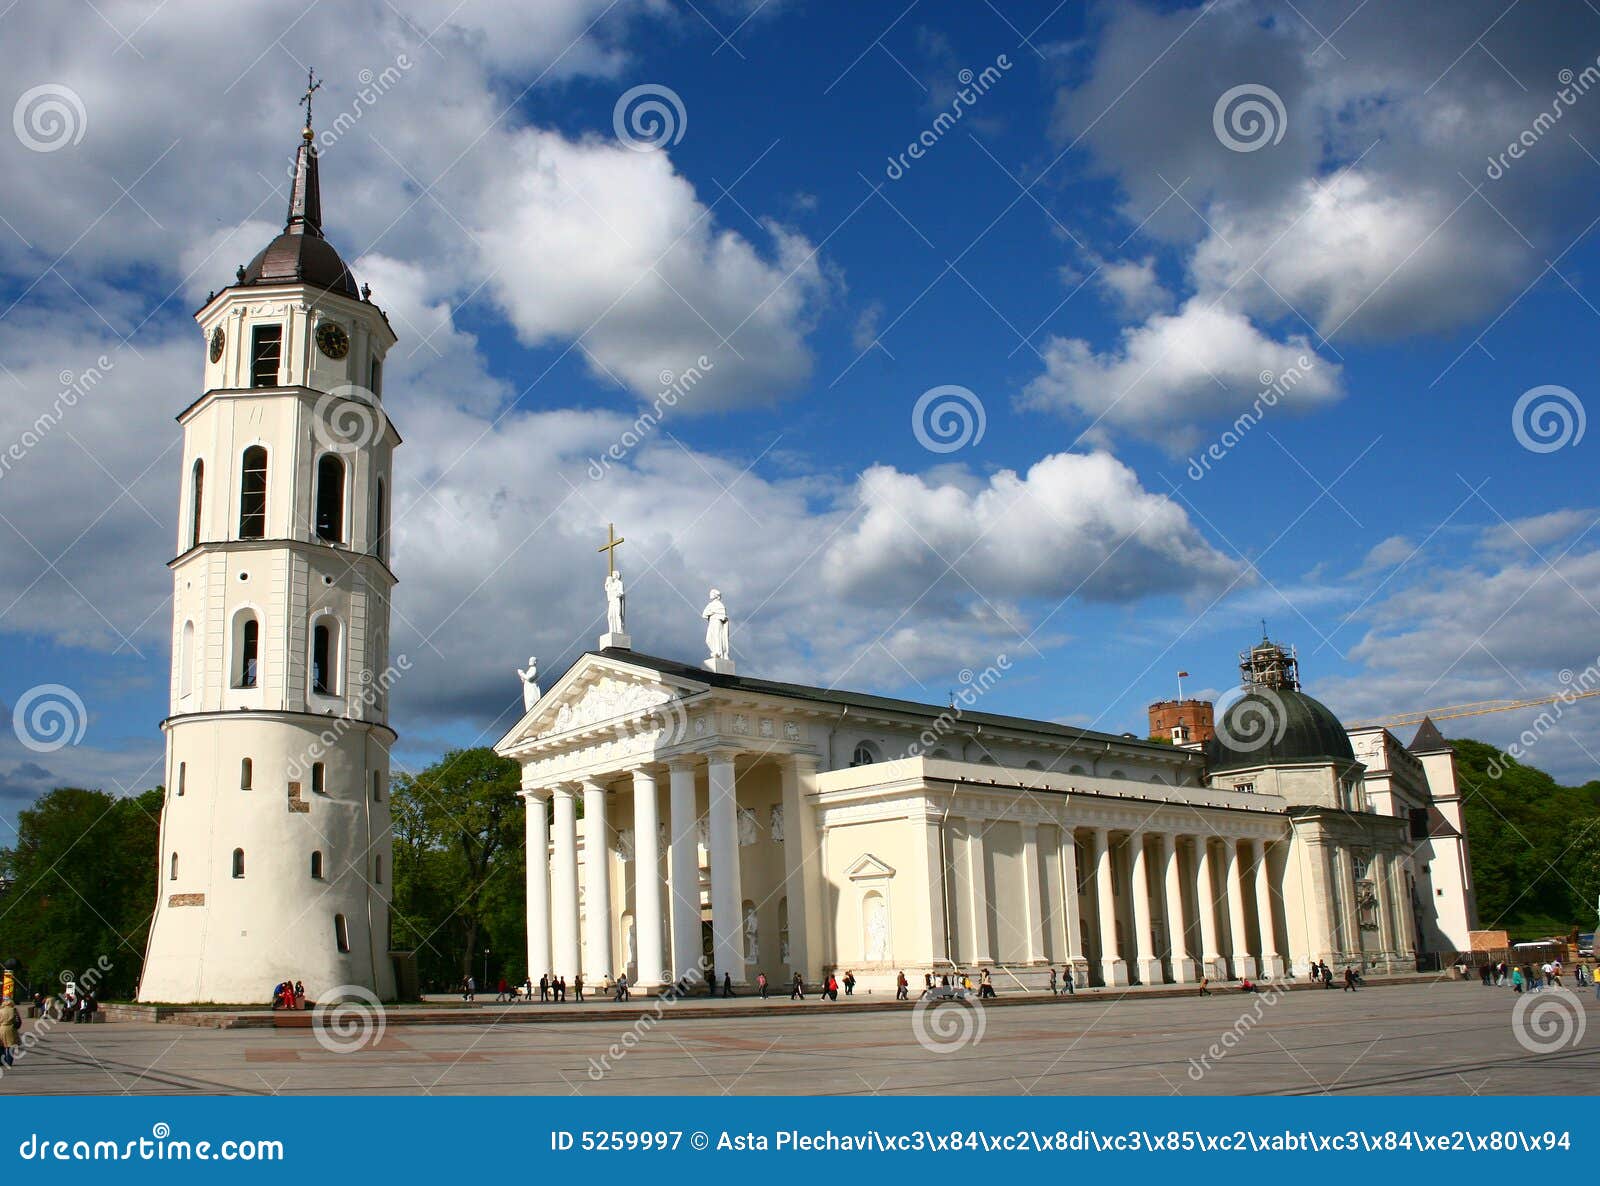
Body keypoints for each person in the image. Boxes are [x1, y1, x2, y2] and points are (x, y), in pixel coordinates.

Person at [0, 997, 19, 1068]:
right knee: (11, 1046)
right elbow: (18, 1021)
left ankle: (2, 1061)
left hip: (1, 1028)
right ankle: (9, 1062)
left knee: (1, 1045)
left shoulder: (1, 1010)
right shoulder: (14, 1010)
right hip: (11, 1029)